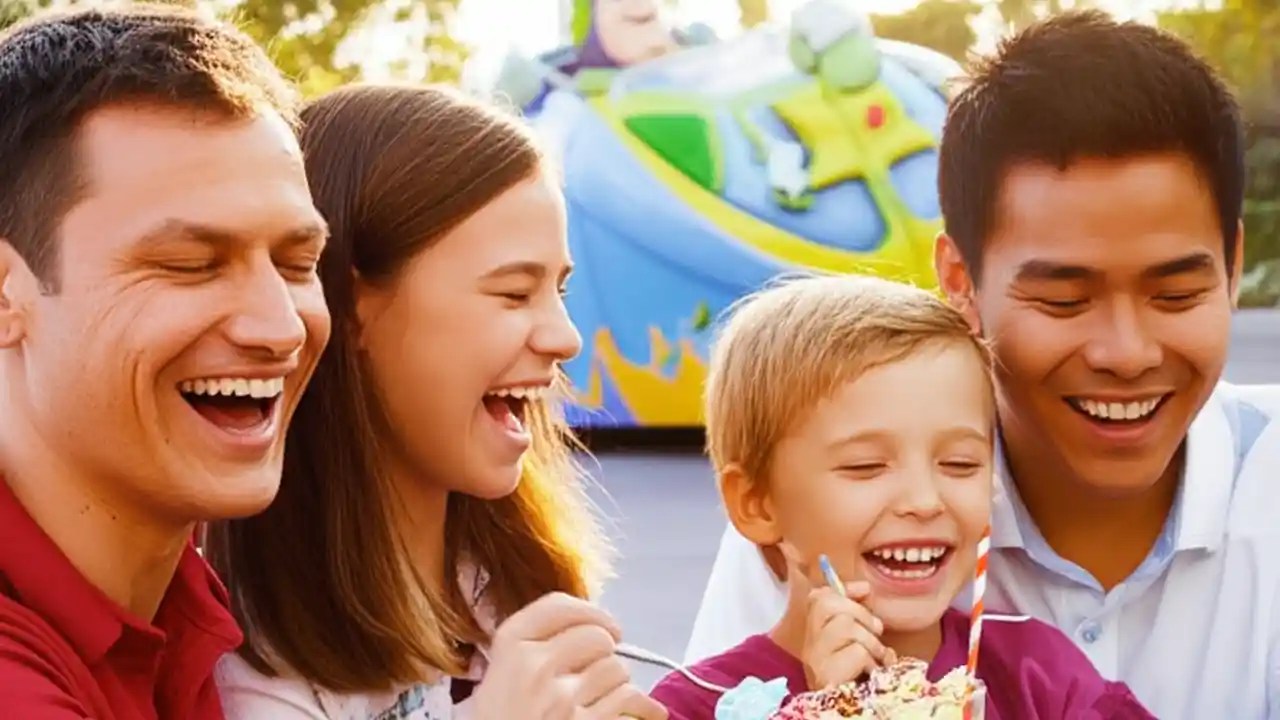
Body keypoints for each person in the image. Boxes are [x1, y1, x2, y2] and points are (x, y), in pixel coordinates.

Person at [683, 11, 1280, 720]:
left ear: (1234, 265)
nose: (1126, 353)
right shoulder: (826, 521)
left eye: (1176, 293)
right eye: (1064, 299)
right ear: (960, 281)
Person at [205, 84, 666, 720]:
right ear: (353, 309)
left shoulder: (514, 581)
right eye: (512, 293)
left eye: (559, 289)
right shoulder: (248, 661)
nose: (565, 338)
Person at [0, 4, 332, 719]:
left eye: (298, 263)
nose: (279, 328)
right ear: (6, 294)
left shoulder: (189, 585)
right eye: (189, 265)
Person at [649, 276, 1154, 719]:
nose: (924, 500)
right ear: (758, 504)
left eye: (960, 464)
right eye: (866, 467)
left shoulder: (1035, 676)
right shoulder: (700, 704)